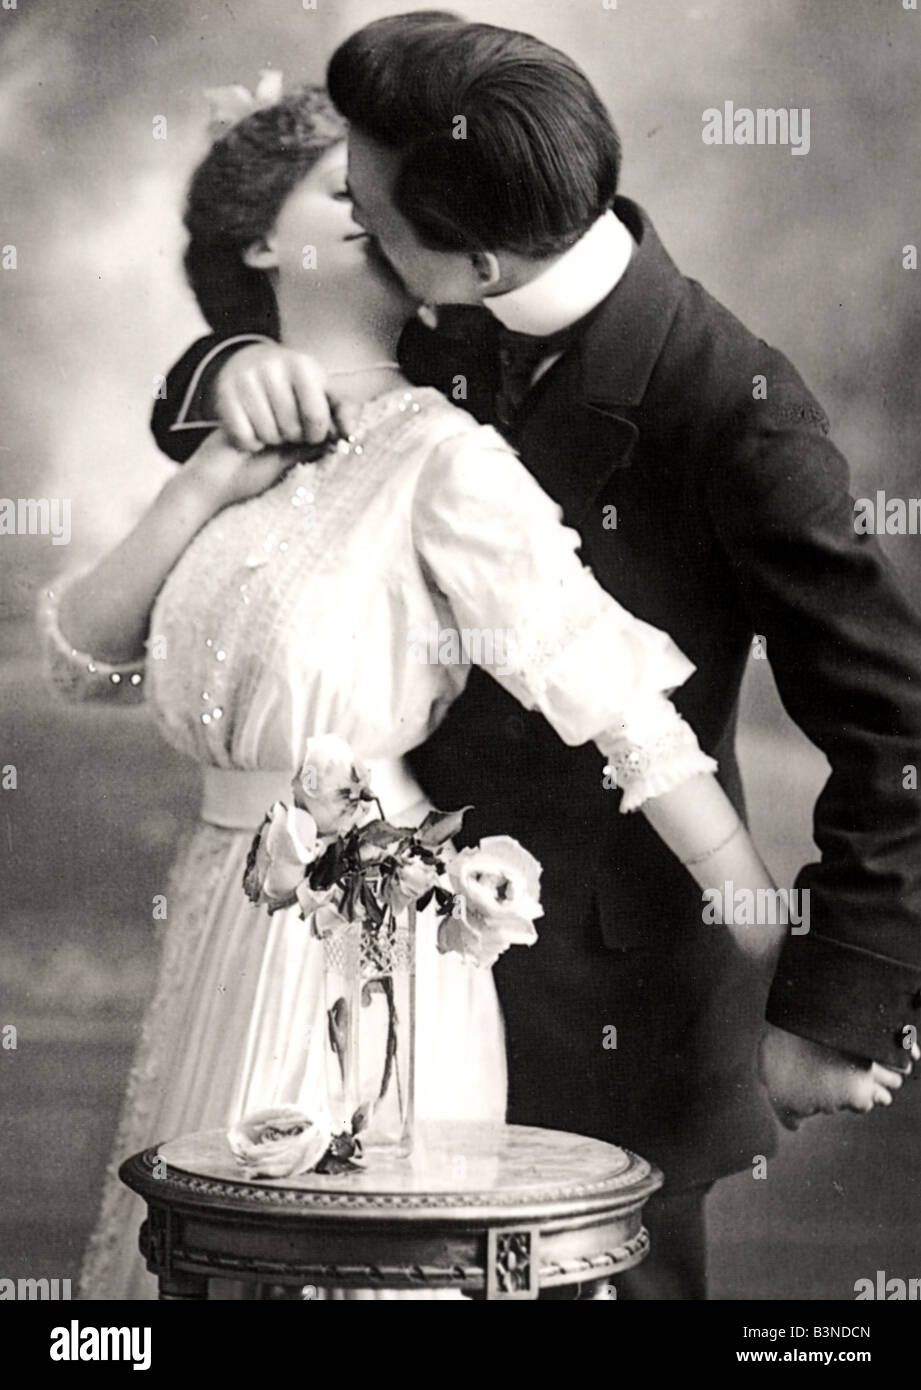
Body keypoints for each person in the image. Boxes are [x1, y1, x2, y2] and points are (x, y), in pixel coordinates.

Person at [151, 15, 921, 1301]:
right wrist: (233, 363)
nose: (348, 211)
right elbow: (274, 337)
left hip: (606, 999)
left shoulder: (737, 412)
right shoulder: (450, 283)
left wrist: (826, 1014)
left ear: (477, 256)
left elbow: (897, 726)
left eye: (364, 203)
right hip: (377, 960)